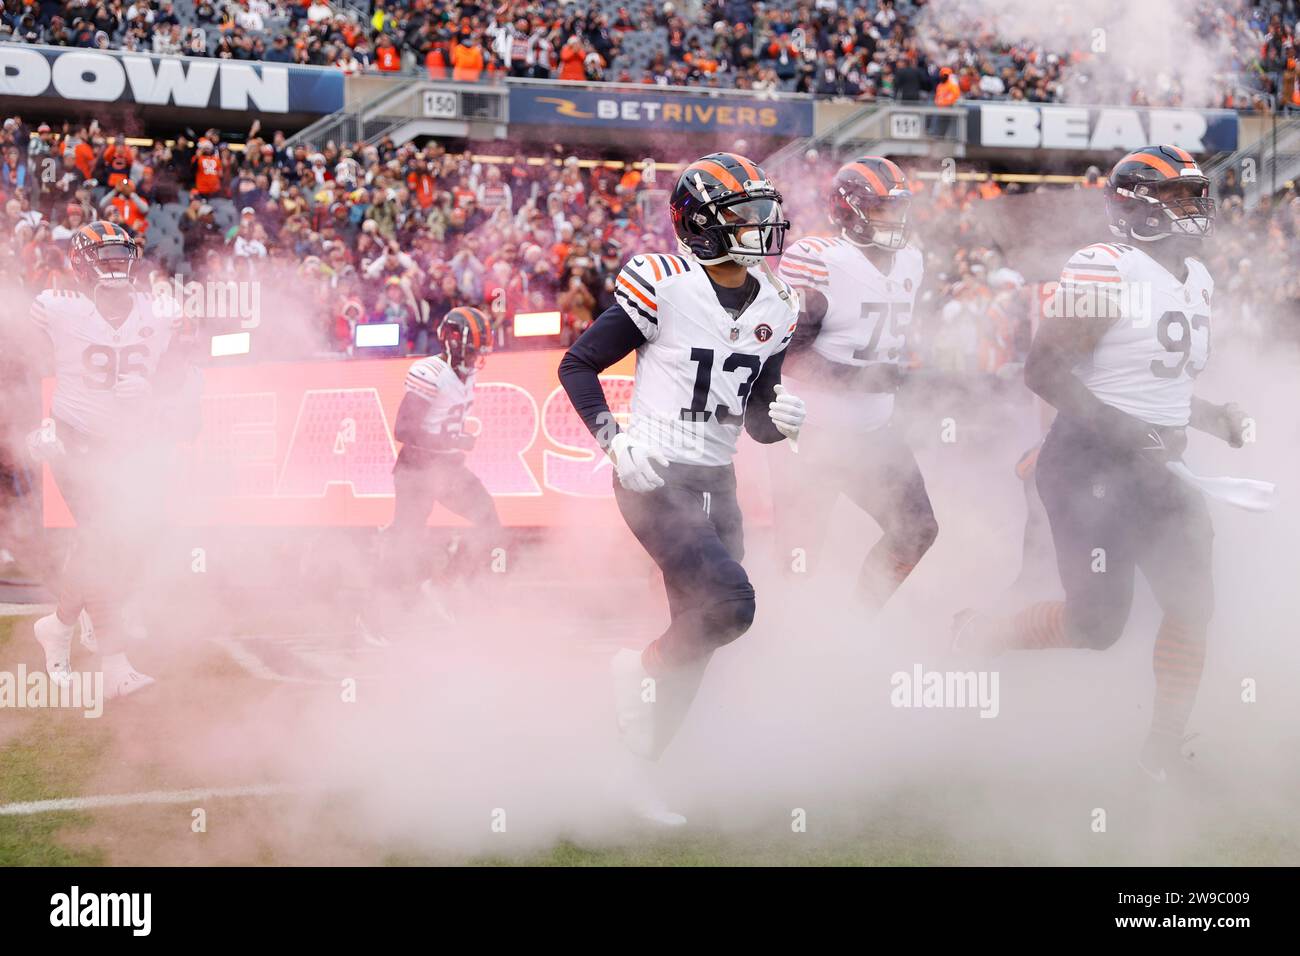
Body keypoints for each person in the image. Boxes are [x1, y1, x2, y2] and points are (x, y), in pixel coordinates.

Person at [953, 146, 1250, 781]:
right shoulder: (1104, 268)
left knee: (1192, 602)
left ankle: (1162, 751)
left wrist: (1210, 416)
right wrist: (1127, 431)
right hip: (1091, 465)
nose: (1193, 208)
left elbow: (1153, 387)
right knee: (1097, 624)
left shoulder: (1196, 278)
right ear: (1137, 209)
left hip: (1161, 466)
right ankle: (981, 633)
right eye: (1176, 197)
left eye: (1194, 195)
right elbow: (1043, 370)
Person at [557, 152, 806, 822]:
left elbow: (756, 420)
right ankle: (636, 671)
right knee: (732, 604)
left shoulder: (779, 304)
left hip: (716, 481)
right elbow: (577, 366)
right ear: (700, 225)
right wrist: (615, 436)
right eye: (742, 214)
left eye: (760, 212)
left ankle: (632, 773)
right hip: (654, 472)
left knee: (702, 627)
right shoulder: (663, 282)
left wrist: (782, 419)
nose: (759, 226)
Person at [26, 221, 199, 700]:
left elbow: (181, 370)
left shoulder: (159, 310)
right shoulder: (56, 310)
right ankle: (113, 663)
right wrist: (36, 421)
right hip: (73, 440)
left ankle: (60, 624)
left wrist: (154, 393)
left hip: (126, 444)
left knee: (128, 541)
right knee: (101, 543)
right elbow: (20, 363)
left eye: (121, 255)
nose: (115, 265)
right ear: (82, 264)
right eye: (105, 256)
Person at [772, 156, 937, 608]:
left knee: (918, 530)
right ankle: (785, 643)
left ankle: (858, 625)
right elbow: (786, 355)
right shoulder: (817, 260)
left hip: (874, 429)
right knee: (801, 555)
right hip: (814, 432)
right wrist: (865, 378)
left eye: (897, 209)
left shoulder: (911, 261)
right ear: (849, 210)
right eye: (882, 208)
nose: (894, 220)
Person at [358, 308, 500, 644]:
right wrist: (453, 439)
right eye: (470, 351)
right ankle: (373, 617)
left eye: (478, 352)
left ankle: (442, 586)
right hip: (417, 470)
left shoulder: (465, 375)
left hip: (447, 468)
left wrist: (452, 444)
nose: (475, 359)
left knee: (489, 521)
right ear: (451, 343)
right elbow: (403, 428)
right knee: (404, 545)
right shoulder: (430, 372)